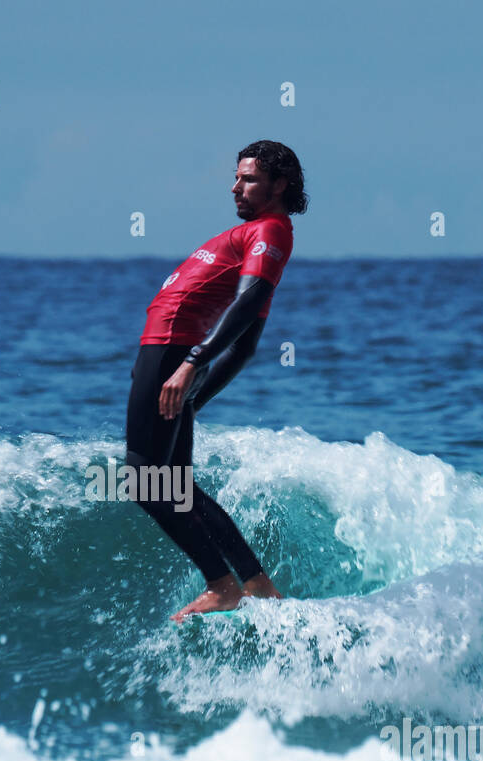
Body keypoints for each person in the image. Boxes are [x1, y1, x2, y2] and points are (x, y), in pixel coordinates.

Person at [125, 140, 308, 622]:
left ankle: (221, 584)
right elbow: (246, 344)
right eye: (237, 177)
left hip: (171, 351)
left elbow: (245, 309)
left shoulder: (269, 233)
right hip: (169, 355)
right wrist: (194, 398)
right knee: (177, 485)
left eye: (248, 179)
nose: (236, 187)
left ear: (279, 185)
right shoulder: (258, 237)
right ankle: (257, 584)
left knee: (143, 481)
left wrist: (191, 364)